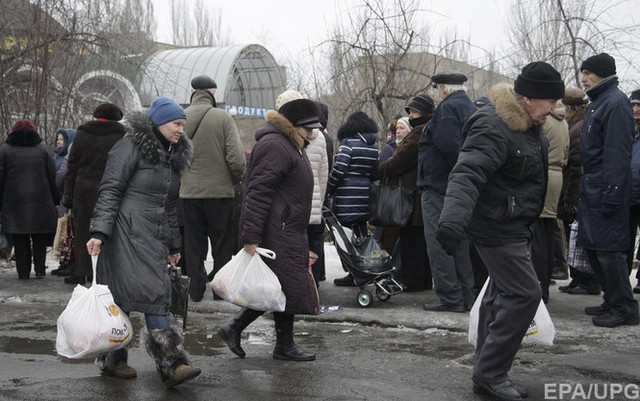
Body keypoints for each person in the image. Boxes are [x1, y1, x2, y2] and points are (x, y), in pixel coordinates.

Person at [436, 61, 565, 400]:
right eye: (549, 102)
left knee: (499, 295)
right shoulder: (494, 126)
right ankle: (491, 373)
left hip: (515, 224)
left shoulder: (528, 125)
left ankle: (485, 367)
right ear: (527, 98)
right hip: (494, 227)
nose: (553, 110)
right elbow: (467, 174)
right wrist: (451, 220)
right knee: (524, 293)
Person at [86, 97, 200, 387]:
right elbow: (110, 190)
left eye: (183, 126)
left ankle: (114, 360)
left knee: (133, 295)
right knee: (150, 294)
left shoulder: (172, 157)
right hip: (125, 232)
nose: (180, 131)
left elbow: (170, 206)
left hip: (154, 235)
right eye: (176, 124)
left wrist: (174, 246)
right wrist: (99, 232)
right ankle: (171, 364)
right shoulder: (129, 146)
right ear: (159, 122)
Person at [217, 98, 321, 361]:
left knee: (283, 287)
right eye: (307, 128)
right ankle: (256, 335)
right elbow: (258, 193)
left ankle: (272, 340)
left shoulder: (292, 144)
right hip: (277, 230)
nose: (312, 133)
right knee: (279, 288)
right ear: (291, 125)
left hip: (288, 228)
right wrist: (250, 237)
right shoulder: (276, 145)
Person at [578, 53, 639, 328]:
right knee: (595, 248)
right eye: (583, 72)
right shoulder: (599, 102)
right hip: (593, 185)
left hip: (606, 186)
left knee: (609, 250)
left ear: (602, 73)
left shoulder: (615, 103)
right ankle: (612, 300)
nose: (584, 77)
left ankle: (624, 306)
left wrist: (613, 192)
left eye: (588, 72)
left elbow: (616, 153)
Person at [180, 75, 246, 302]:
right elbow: (236, 159)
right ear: (213, 93)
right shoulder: (223, 118)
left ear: (192, 91)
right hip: (220, 193)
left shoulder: (181, 118)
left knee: (193, 243)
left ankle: (196, 290)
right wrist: (235, 180)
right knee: (222, 245)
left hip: (188, 194)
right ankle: (220, 291)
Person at [419, 73, 477, 312]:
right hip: (461, 187)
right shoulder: (470, 108)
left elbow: (448, 146)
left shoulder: (447, 109)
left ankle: (450, 297)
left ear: (442, 88)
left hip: (439, 185)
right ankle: (466, 295)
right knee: (459, 241)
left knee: (438, 241)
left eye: (436, 89)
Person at [61, 103, 126, 283]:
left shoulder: (82, 134)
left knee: (82, 231)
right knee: (107, 231)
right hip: (111, 190)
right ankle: (103, 272)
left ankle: (81, 271)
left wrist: (68, 196)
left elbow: (71, 166)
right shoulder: (122, 136)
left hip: (83, 190)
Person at [380, 107, 433, 293]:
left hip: (410, 199)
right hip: (413, 198)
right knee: (415, 242)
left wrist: (379, 170)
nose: (411, 116)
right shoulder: (420, 133)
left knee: (413, 243)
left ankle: (414, 282)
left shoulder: (417, 135)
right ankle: (421, 281)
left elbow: (400, 161)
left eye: (414, 112)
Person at [0, 119, 58, 279]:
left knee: (20, 238)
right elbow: (52, 175)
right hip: (41, 201)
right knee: (39, 237)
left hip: (13, 203)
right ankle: (40, 269)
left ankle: (23, 272)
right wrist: (55, 199)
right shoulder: (42, 149)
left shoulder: (5, 150)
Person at [327, 111, 380, 286]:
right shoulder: (373, 146)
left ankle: (352, 273)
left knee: (346, 237)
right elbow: (375, 172)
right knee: (362, 237)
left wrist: (329, 188)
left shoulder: (348, 143)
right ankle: (363, 270)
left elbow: (339, 170)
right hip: (364, 196)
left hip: (347, 197)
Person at [556, 88, 600, 295]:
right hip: (572, 191)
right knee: (572, 236)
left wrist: (570, 199)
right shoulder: (575, 126)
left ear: (572, 109)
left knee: (578, 237)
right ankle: (578, 278)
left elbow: (576, 167)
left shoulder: (578, 128)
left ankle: (587, 280)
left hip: (574, 192)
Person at [531, 100, 569, 303]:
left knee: (537, 236)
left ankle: (539, 289)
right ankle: (543, 284)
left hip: (542, 175)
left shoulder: (543, 120)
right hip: (556, 176)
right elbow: (565, 155)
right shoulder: (562, 121)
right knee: (546, 232)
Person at [627, 89, 640, 294]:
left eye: (639, 105)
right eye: (634, 105)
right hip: (628, 193)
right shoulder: (628, 130)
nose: (636, 109)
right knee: (625, 241)